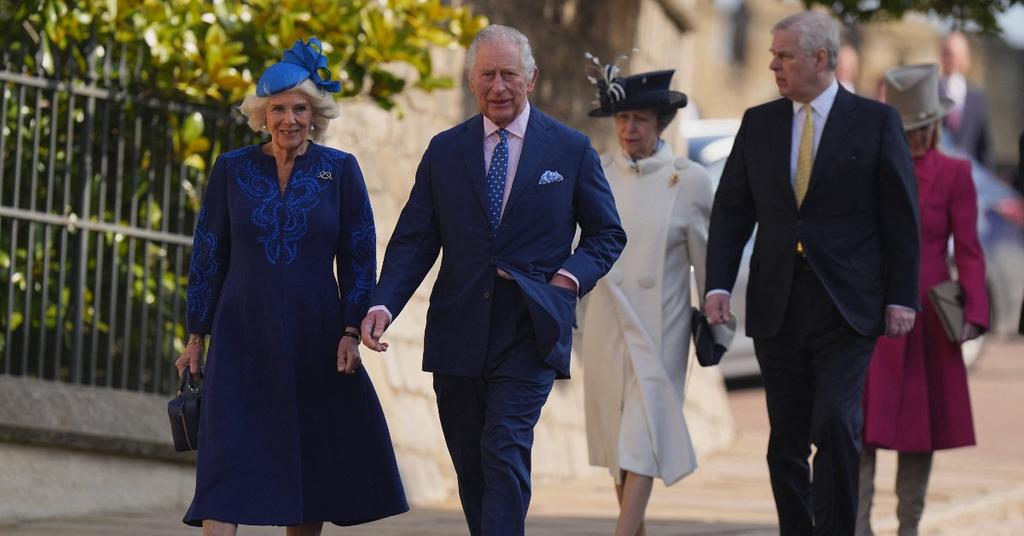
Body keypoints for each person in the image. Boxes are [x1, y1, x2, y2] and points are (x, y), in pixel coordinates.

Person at [359, 25, 626, 536]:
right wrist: (383, 305)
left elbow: (606, 235)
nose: (498, 86)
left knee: (503, 449)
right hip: (459, 328)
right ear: (471, 81)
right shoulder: (444, 151)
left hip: (530, 327)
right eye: (487, 75)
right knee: (472, 461)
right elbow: (416, 240)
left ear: (532, 79)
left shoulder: (569, 150)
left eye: (509, 74)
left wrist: (567, 281)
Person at [174, 37, 408, 535]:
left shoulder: (340, 172)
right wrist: (196, 335)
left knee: (307, 462)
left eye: (300, 108)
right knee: (226, 456)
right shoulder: (231, 170)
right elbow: (208, 254)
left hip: (314, 336)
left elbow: (359, 255)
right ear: (262, 115)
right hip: (239, 333)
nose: (290, 119)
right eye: (278, 108)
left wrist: (350, 329)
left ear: (316, 113)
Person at [704, 12, 921, 535]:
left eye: (785, 55)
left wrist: (902, 297)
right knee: (786, 440)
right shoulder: (760, 123)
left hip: (847, 305)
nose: (773, 64)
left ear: (821, 59)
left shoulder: (874, 122)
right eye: (773, 54)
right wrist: (716, 283)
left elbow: (900, 217)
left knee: (837, 424)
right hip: (778, 300)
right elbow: (733, 209)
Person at [579, 67, 731, 536]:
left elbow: (706, 258)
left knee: (643, 435)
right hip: (605, 319)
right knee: (616, 438)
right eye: (622, 117)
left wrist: (715, 314)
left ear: (661, 123)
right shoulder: (597, 173)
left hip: (660, 324)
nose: (630, 129)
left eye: (641, 119)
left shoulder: (690, 181)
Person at [855, 63, 989, 536]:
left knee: (920, 431)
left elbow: (969, 249)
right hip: (873, 311)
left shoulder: (955, 172)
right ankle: (858, 525)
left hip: (929, 317)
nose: (912, 138)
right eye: (903, 129)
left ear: (933, 125)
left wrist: (974, 311)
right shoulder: (870, 167)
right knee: (860, 425)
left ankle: (908, 526)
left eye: (918, 128)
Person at [939, 31, 994, 169]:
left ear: (966, 58)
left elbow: (984, 144)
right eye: (948, 53)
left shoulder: (977, 97)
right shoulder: (931, 93)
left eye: (956, 55)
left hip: (971, 173)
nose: (952, 59)